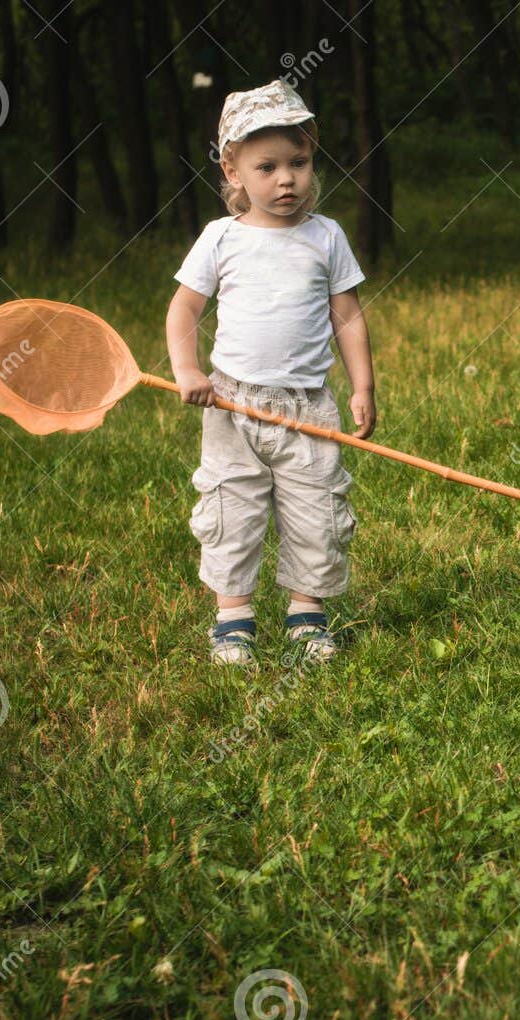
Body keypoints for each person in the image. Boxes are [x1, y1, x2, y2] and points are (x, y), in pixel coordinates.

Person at [165, 80, 376, 668]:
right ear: (233, 171)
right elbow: (184, 309)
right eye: (267, 167)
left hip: (309, 407)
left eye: (299, 163)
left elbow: (349, 317)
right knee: (232, 510)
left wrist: (363, 386)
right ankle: (233, 620)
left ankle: (306, 615)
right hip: (232, 406)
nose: (286, 179)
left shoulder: (325, 237)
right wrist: (187, 369)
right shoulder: (221, 239)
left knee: (317, 510)